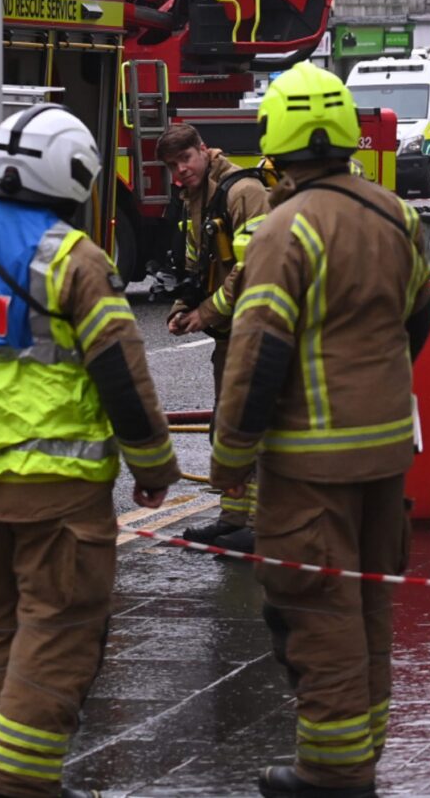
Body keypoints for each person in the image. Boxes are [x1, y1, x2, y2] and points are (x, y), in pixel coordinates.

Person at [0, 106, 179, 798]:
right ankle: (20, 787)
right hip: (61, 492)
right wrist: (153, 467)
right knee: (57, 632)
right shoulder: (74, 259)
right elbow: (120, 370)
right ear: (73, 175)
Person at [212, 62, 430, 798]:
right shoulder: (396, 214)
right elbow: (418, 318)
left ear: (276, 142)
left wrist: (230, 456)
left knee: (317, 607)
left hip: (310, 461)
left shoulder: (283, 229)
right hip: (383, 449)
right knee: (368, 599)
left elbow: (258, 353)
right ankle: (361, 745)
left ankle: (334, 769)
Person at [160, 123, 271, 551]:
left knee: (252, 428)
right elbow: (196, 263)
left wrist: (205, 313)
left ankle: (260, 528)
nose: (178, 173)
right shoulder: (195, 198)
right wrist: (181, 306)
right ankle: (233, 520)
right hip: (230, 336)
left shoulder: (245, 192)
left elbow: (254, 268)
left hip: (259, 330)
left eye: (184, 160)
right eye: (171, 166)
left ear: (203, 150)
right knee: (227, 430)